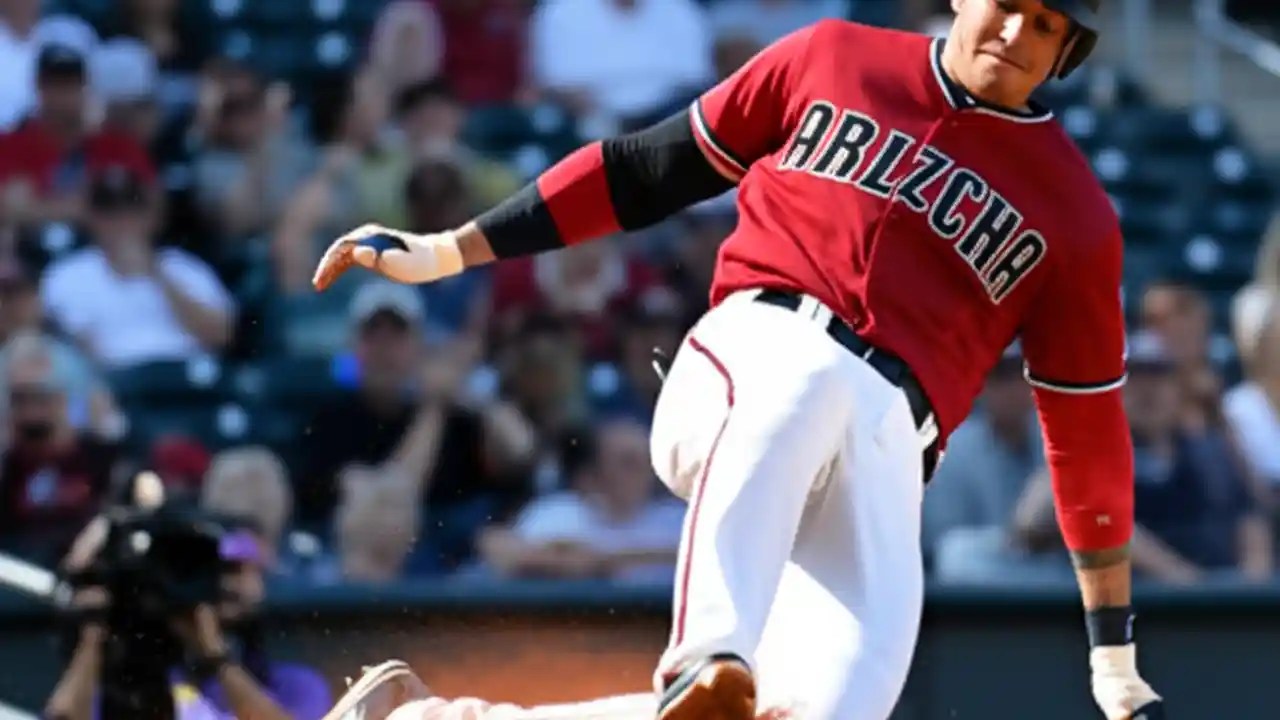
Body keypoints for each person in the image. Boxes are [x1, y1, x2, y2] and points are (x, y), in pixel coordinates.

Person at [313, 2, 1163, 719]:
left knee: (818, 710)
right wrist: (449, 252)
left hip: (887, 452)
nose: (1018, 31)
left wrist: (1112, 653)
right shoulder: (834, 54)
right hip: (753, 358)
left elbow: (1085, 433)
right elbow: (648, 168)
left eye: (1048, 25)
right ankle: (706, 653)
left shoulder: (1077, 216)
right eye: (1011, 3)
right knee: (813, 377)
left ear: (1066, 54)